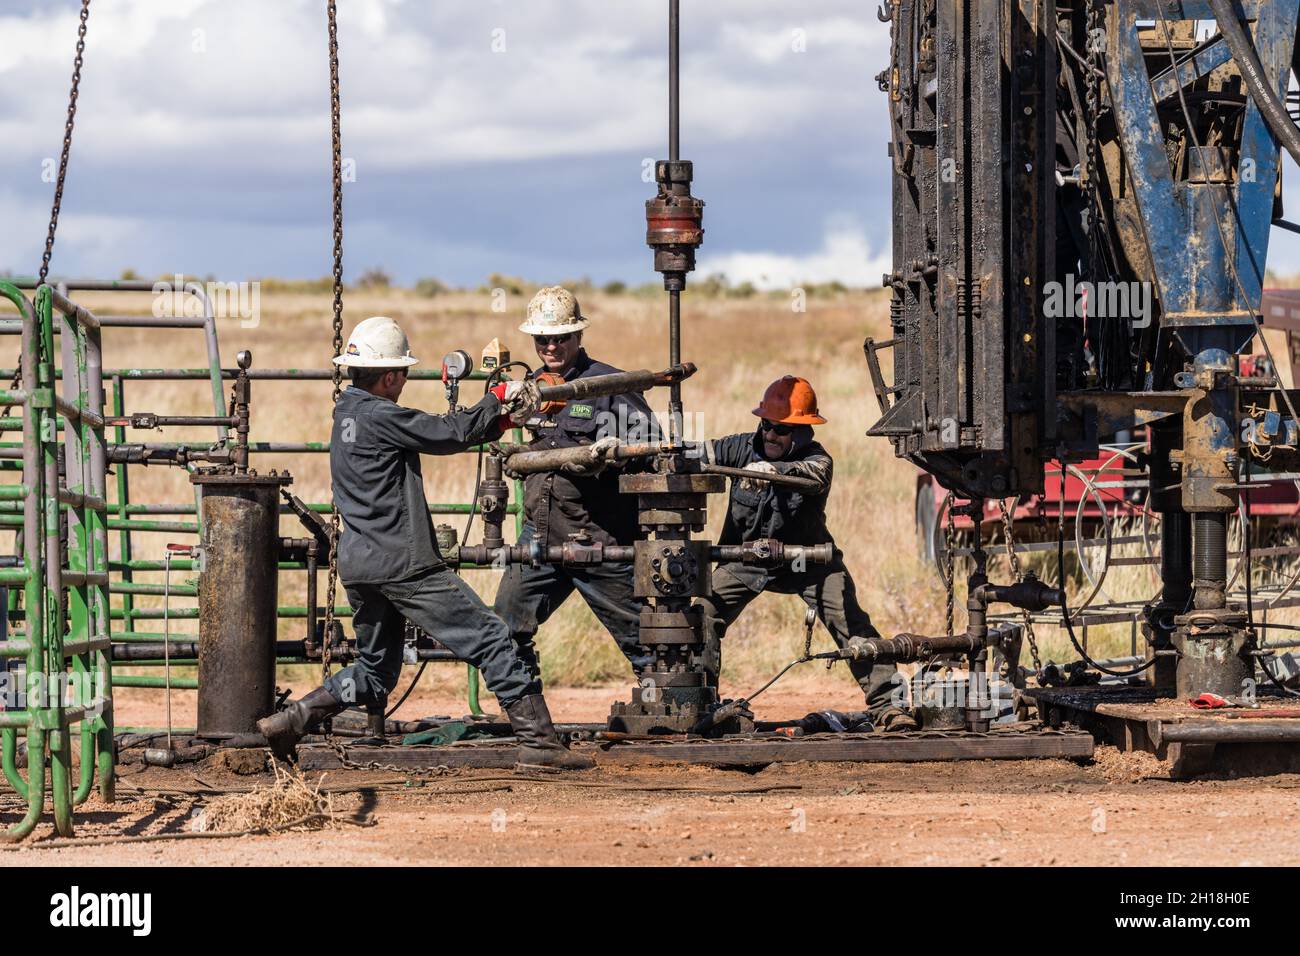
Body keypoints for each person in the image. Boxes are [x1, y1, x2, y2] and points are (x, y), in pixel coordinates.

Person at [257, 316, 594, 770]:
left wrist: (498, 419)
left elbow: (456, 431)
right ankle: (538, 742)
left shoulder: (346, 415)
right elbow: (448, 433)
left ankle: (293, 720)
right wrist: (495, 398)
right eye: (403, 375)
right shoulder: (381, 416)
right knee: (493, 637)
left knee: (376, 673)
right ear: (392, 375)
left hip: (360, 566)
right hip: (405, 565)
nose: (404, 383)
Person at [694, 375, 918, 731]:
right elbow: (693, 454)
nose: (771, 435)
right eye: (767, 426)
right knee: (702, 613)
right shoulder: (737, 449)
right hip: (747, 560)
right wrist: (655, 452)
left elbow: (811, 476)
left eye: (782, 431)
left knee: (851, 623)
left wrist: (774, 473)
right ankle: (701, 708)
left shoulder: (818, 460)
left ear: (801, 432)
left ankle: (889, 707)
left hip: (809, 559)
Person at [492, 286, 657, 680]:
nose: (550, 346)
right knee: (503, 628)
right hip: (541, 535)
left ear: (578, 336)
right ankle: (528, 716)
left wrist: (616, 451)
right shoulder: (532, 387)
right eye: (542, 339)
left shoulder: (608, 384)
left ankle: (674, 709)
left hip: (597, 535)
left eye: (560, 338)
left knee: (645, 640)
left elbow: (651, 446)